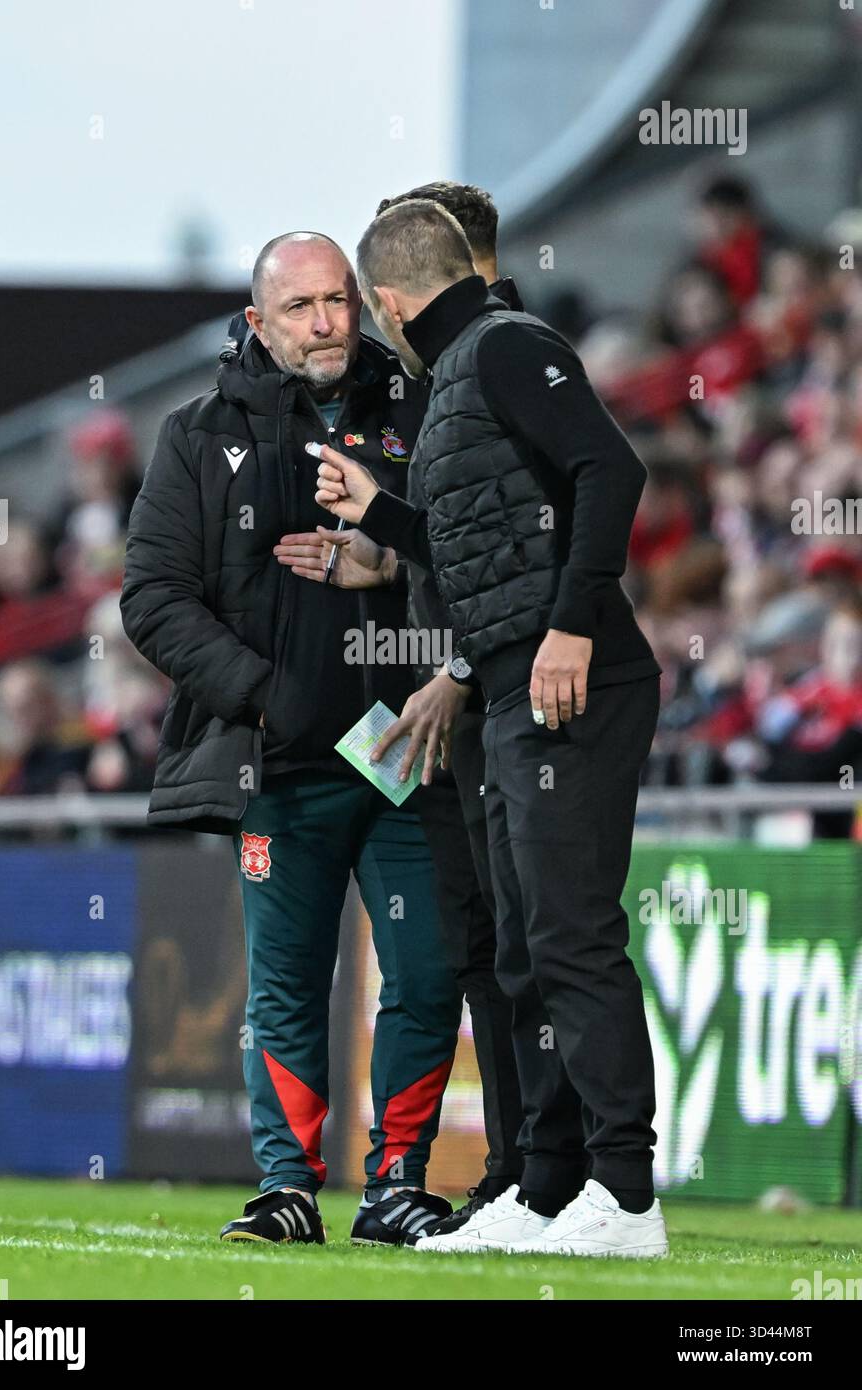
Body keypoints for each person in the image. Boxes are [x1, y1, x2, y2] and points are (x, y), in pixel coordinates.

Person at [314, 199, 669, 1257]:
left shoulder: (507, 346)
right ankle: (546, 1183)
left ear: (384, 303)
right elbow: (473, 540)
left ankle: (627, 1192)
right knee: (519, 945)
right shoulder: (462, 370)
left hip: (573, 678)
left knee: (568, 933)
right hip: (516, 684)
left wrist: (568, 628)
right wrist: (376, 510)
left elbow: (614, 470)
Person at [120, 231, 461, 1246]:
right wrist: (268, 697)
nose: (325, 323)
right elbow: (153, 599)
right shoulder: (195, 432)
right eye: (302, 305)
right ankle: (288, 1187)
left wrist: (390, 565)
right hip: (279, 757)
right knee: (285, 982)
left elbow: (472, 557)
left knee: (430, 968)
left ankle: (397, 1181)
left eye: (338, 299)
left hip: (407, 744)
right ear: (257, 318)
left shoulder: (420, 405)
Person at [283, 182, 527, 1235]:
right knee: (484, 950)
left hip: (495, 699)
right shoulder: (453, 374)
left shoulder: (496, 364)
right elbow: (455, 544)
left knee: (523, 947)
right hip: (446, 716)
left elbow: (522, 545)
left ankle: (547, 1169)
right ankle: (520, 1167)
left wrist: (460, 666)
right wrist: (382, 560)